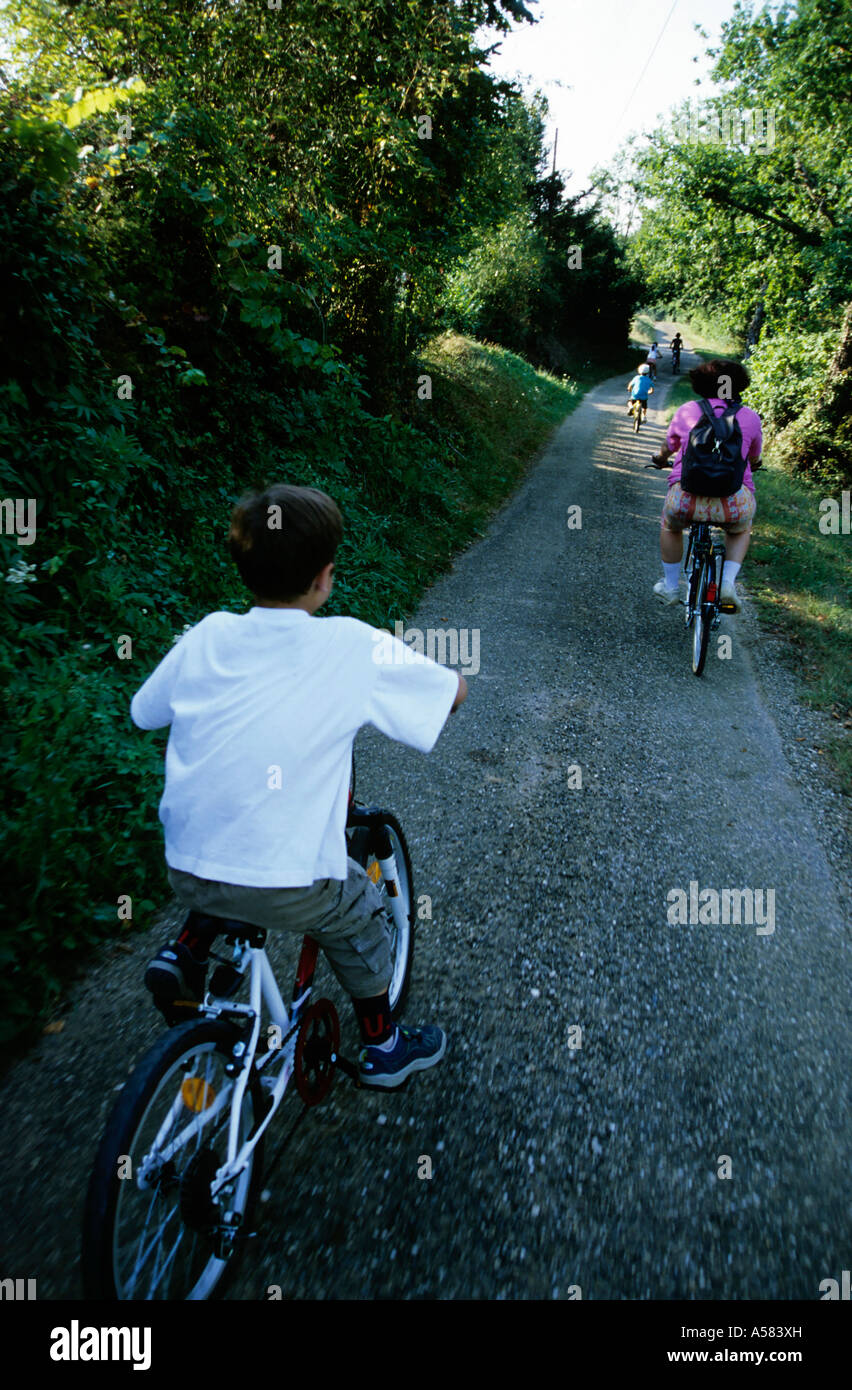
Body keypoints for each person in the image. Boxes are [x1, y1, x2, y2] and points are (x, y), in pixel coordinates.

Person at [131, 484, 467, 1090]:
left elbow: (143, 713)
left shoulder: (207, 634)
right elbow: (451, 695)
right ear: (325, 577)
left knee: (228, 855)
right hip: (290, 886)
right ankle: (385, 1046)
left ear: (243, 570)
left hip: (186, 866)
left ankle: (183, 951)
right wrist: (449, 685)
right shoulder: (349, 644)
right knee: (359, 918)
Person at [650, 359, 762, 612]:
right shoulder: (751, 418)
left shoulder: (687, 411)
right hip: (732, 501)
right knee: (740, 529)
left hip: (685, 499)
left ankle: (670, 586)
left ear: (700, 384)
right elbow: (754, 457)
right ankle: (727, 584)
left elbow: (670, 446)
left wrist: (661, 459)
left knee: (670, 525)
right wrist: (753, 464)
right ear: (739, 386)